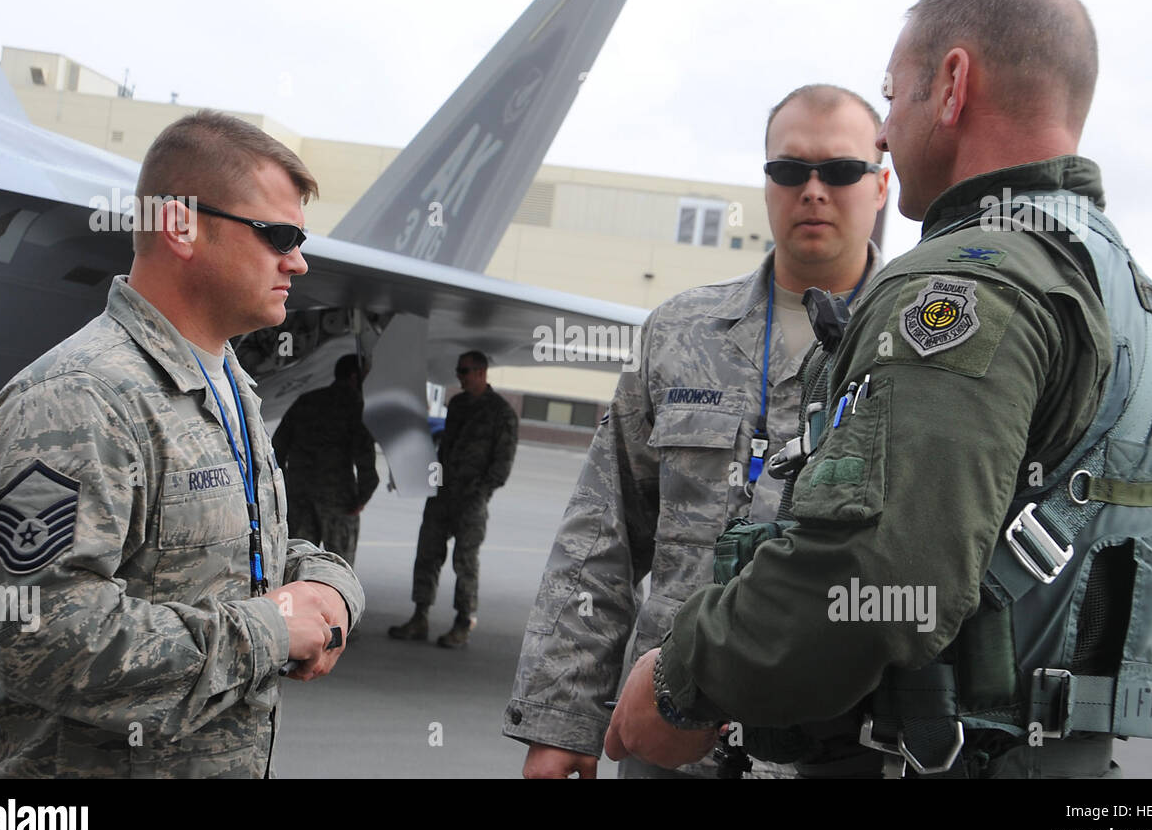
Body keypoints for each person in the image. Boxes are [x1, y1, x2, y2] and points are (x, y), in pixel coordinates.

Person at [604, 0, 1152, 779]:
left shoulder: (966, 285)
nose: (883, 131)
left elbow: (882, 573)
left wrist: (682, 683)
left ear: (952, 84)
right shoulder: (1122, 285)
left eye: (892, 93)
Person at [0, 110, 365, 778]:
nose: (299, 259)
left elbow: (247, 553)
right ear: (180, 226)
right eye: (277, 234)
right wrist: (269, 631)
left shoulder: (228, 385)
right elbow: (41, 636)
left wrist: (331, 586)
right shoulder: (81, 398)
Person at [504, 85, 891, 778]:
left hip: (844, 751)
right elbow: (603, 534)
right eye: (788, 170)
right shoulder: (681, 333)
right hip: (670, 738)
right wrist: (564, 719)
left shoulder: (918, 346)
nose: (812, 190)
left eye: (839, 171)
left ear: (881, 183)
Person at [388, 350, 519, 649]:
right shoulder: (457, 404)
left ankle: (463, 622)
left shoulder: (502, 413)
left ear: (482, 372)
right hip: (443, 494)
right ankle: (420, 616)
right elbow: (444, 449)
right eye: (458, 370)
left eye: (465, 371)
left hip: (471, 500)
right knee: (427, 553)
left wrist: (480, 492)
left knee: (465, 561)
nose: (459, 376)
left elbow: (503, 462)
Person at [273, 353, 379, 568]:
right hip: (338, 501)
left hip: (299, 497)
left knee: (297, 562)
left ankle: (295, 601)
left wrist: (285, 487)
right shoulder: (356, 407)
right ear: (353, 376)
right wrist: (362, 497)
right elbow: (365, 459)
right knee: (339, 568)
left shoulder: (307, 401)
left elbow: (277, 448)